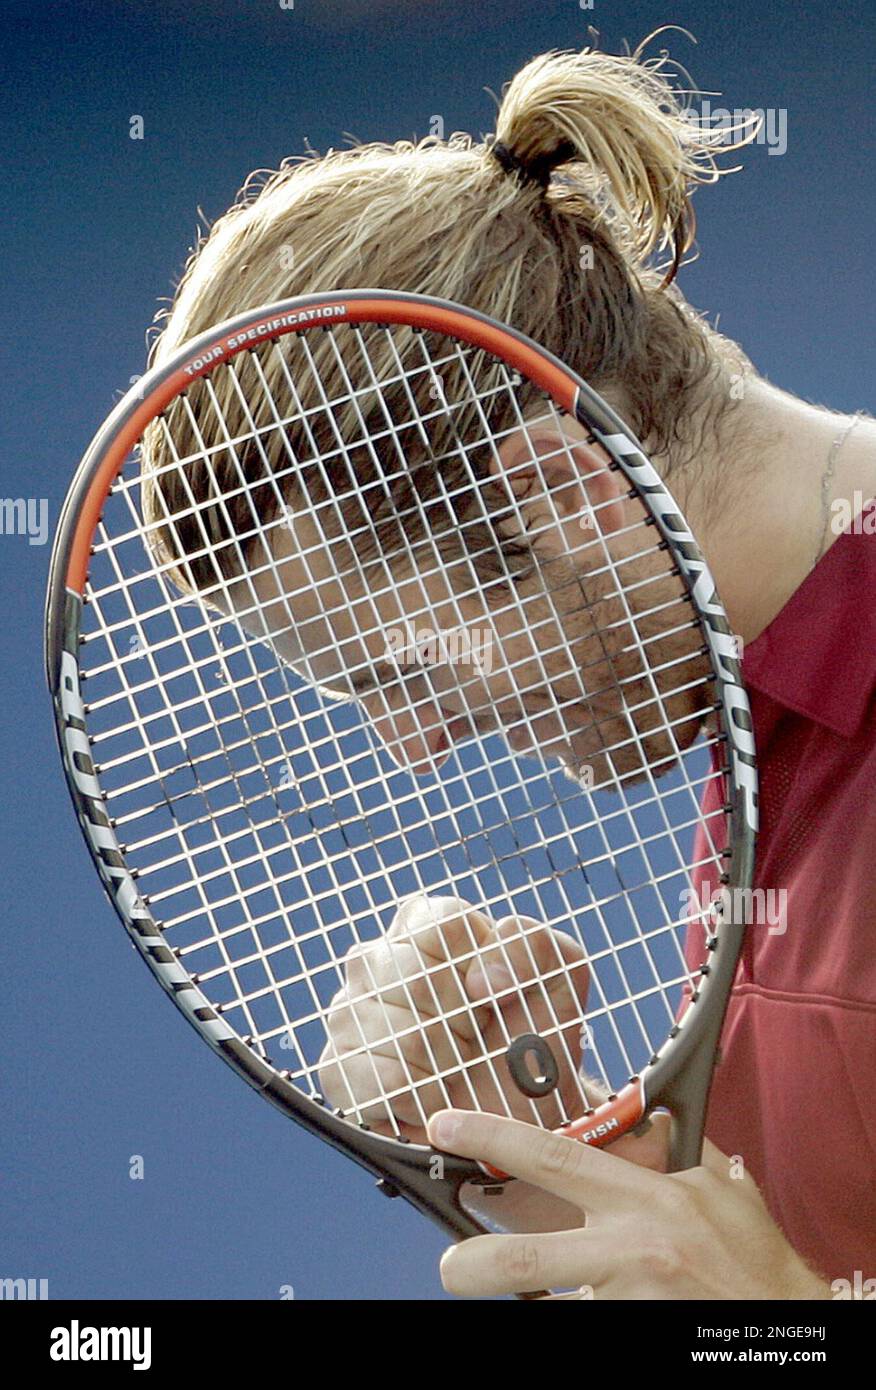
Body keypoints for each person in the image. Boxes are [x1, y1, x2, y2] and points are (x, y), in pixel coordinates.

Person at [141, 38, 875, 1298]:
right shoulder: (756, 721)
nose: (412, 746)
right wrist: (565, 1181)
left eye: (394, 671)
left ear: (563, 494)